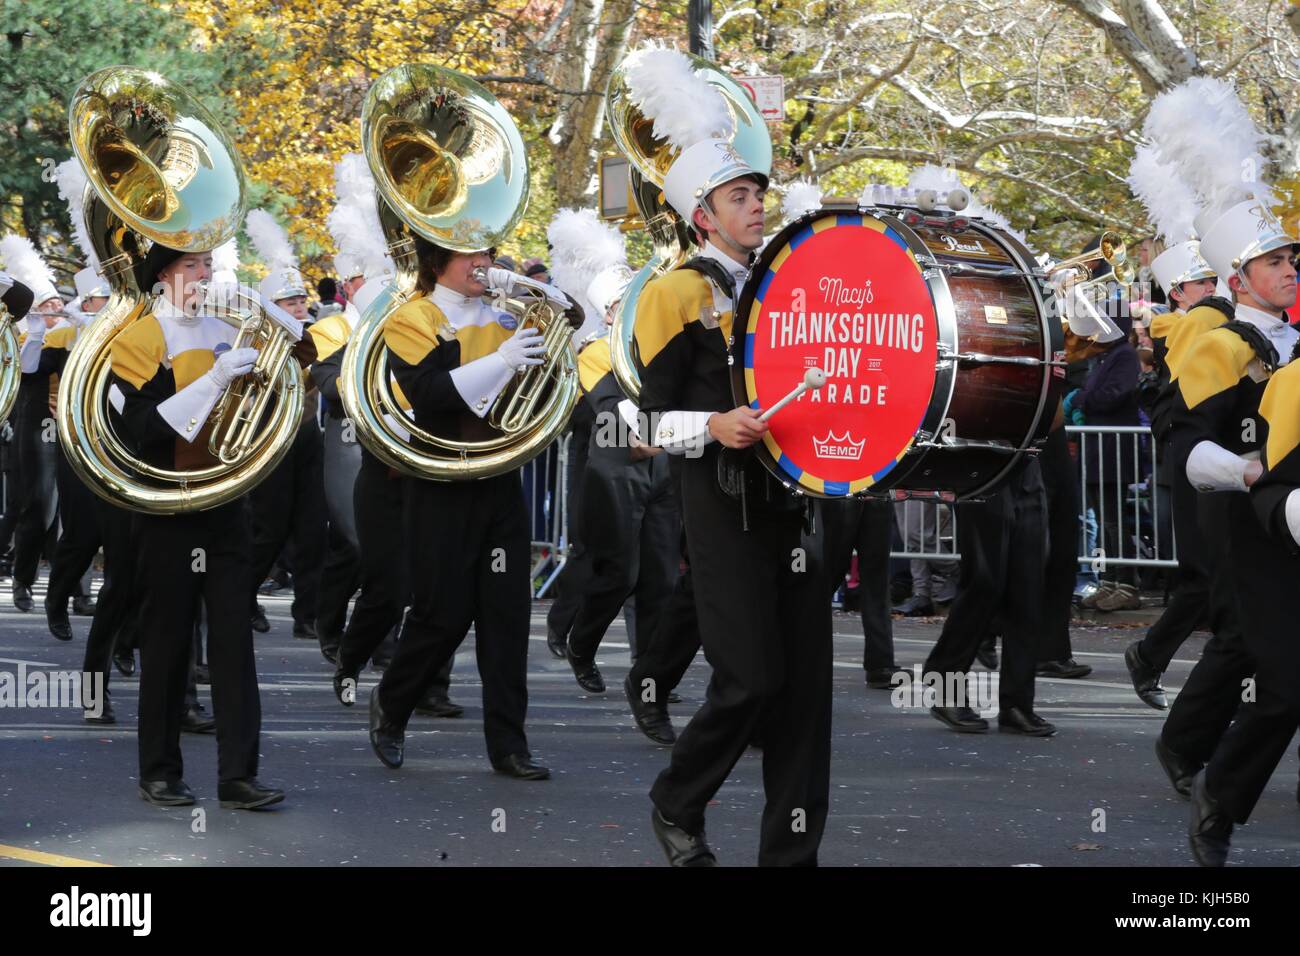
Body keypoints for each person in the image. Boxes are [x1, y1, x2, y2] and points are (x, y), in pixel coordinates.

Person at [624, 46, 829, 867]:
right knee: (749, 678)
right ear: (702, 214)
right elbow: (635, 426)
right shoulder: (673, 292)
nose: (757, 206)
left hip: (799, 499)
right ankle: (677, 798)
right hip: (721, 504)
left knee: (805, 700)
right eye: (740, 197)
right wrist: (710, 428)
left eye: (758, 194)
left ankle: (792, 856)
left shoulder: (787, 286)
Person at [111, 241, 313, 809]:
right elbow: (142, 429)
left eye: (207, 265)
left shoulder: (229, 325)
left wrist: (271, 327)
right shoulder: (140, 338)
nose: (204, 276)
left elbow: (301, 359)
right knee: (168, 642)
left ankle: (238, 776)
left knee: (232, 645)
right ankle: (158, 770)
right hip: (169, 506)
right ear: (162, 276)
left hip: (226, 504)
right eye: (190, 266)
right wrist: (215, 379)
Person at [366, 235, 575, 780]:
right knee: (443, 613)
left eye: (486, 254)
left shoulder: (507, 315)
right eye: (470, 256)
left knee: (506, 617)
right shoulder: (412, 317)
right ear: (438, 262)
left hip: (500, 478)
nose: (483, 265)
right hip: (440, 482)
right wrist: (501, 360)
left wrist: (541, 347)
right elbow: (429, 392)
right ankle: (392, 705)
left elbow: (546, 386)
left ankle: (510, 745)